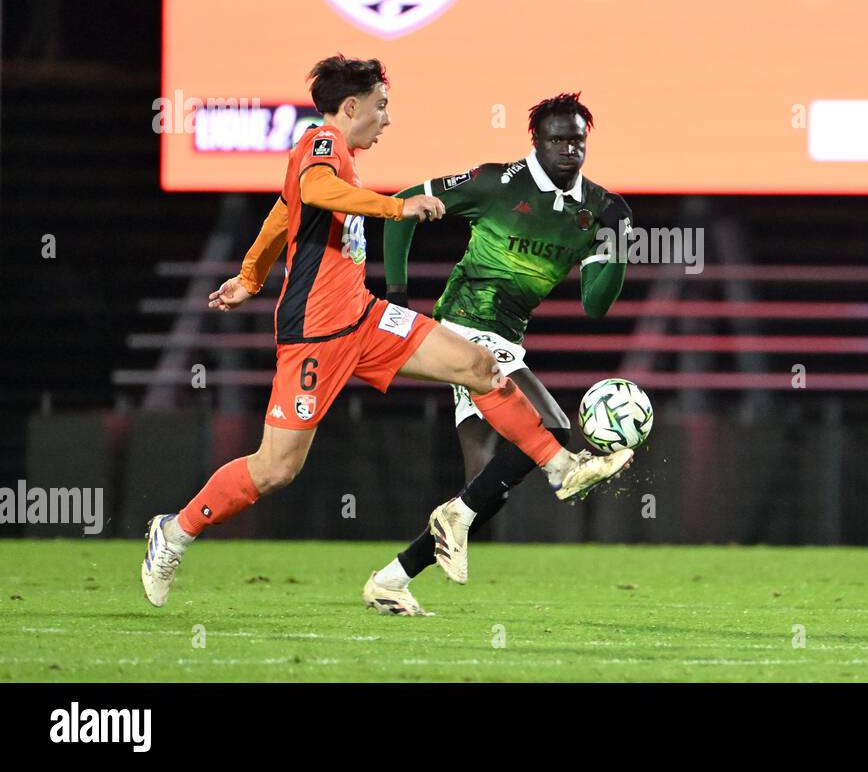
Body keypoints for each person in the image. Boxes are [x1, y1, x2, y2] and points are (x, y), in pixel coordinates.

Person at [142, 59, 620, 609]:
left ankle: (563, 468)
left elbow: (284, 210)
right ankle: (174, 533)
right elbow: (315, 189)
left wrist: (250, 276)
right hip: (317, 333)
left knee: (479, 366)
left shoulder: (338, 157)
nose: (386, 120)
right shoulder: (323, 144)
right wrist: (398, 207)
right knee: (276, 469)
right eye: (381, 107)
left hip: (364, 317)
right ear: (352, 108)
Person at [362, 92, 634, 615]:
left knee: (488, 487)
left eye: (578, 139)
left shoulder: (602, 209)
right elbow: (400, 208)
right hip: (464, 328)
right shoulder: (495, 183)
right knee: (550, 427)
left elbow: (595, 306)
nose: (569, 148)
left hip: (508, 338)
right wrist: (398, 298)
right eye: (558, 138)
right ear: (535, 140)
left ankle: (391, 579)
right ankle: (563, 469)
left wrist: (618, 250)